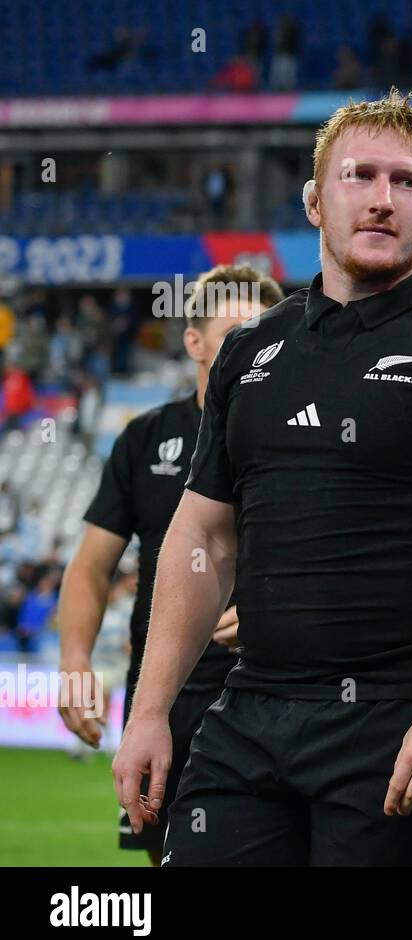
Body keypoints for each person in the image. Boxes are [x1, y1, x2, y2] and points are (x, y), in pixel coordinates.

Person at [112, 89, 412, 866]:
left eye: (409, 183)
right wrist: (149, 709)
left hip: (405, 727)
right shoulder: (251, 352)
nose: (384, 200)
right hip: (249, 717)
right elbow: (203, 538)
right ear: (316, 201)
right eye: (360, 176)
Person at [58, 264, 280, 864]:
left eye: (265, 332)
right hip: (168, 694)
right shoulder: (145, 439)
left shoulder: (300, 435)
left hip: (276, 688)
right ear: (194, 341)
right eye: (236, 332)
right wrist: (76, 662)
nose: (253, 345)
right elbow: (90, 566)